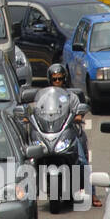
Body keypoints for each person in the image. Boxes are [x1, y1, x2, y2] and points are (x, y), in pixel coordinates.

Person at [46, 64, 100, 207]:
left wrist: (78, 115)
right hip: (51, 134)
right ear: (49, 81)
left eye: (60, 79)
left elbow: (79, 111)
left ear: (65, 79)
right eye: (54, 79)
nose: (57, 82)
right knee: (30, 157)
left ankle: (92, 191)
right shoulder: (46, 97)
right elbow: (38, 111)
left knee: (81, 159)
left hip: (68, 133)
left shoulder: (72, 97)